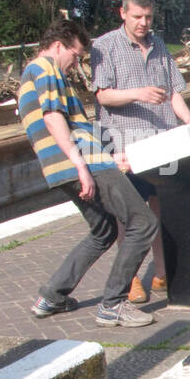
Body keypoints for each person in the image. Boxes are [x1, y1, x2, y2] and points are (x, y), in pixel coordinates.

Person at [19, 19, 157, 327]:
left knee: (104, 230)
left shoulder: (29, 76)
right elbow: (54, 118)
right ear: (58, 46)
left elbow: (71, 127)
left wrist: (108, 155)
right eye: (75, 55)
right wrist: (83, 165)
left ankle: (52, 296)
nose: (75, 64)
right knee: (143, 221)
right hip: (83, 165)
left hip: (64, 168)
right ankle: (114, 304)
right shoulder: (46, 68)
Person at [90, 0, 190, 303]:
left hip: (162, 141)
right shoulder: (105, 47)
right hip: (125, 142)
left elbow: (174, 91)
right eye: (138, 16)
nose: (143, 23)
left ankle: (162, 274)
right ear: (123, 13)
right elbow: (102, 95)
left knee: (161, 206)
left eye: (149, 17)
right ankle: (129, 280)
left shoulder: (159, 46)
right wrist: (139, 93)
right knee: (128, 213)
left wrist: (187, 118)